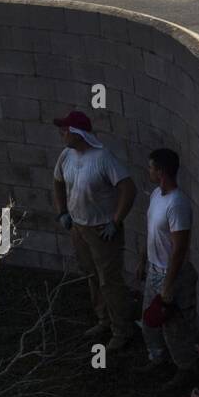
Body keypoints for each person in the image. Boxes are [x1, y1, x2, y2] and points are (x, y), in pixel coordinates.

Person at [52, 110, 138, 351]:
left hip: (101, 230)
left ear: (79, 134)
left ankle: (122, 330)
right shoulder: (66, 155)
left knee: (109, 280)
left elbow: (128, 188)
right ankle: (104, 320)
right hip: (79, 226)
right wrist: (63, 212)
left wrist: (116, 221)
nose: (62, 134)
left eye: (66, 130)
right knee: (90, 274)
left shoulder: (102, 157)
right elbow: (57, 181)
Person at [137, 148, 199, 390]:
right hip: (154, 268)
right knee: (149, 319)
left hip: (171, 274)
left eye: (152, 168)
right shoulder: (156, 195)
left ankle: (185, 369)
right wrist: (143, 259)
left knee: (175, 326)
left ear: (161, 172)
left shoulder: (177, 204)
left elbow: (179, 249)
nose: (149, 171)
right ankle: (157, 357)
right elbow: (151, 231)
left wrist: (168, 285)